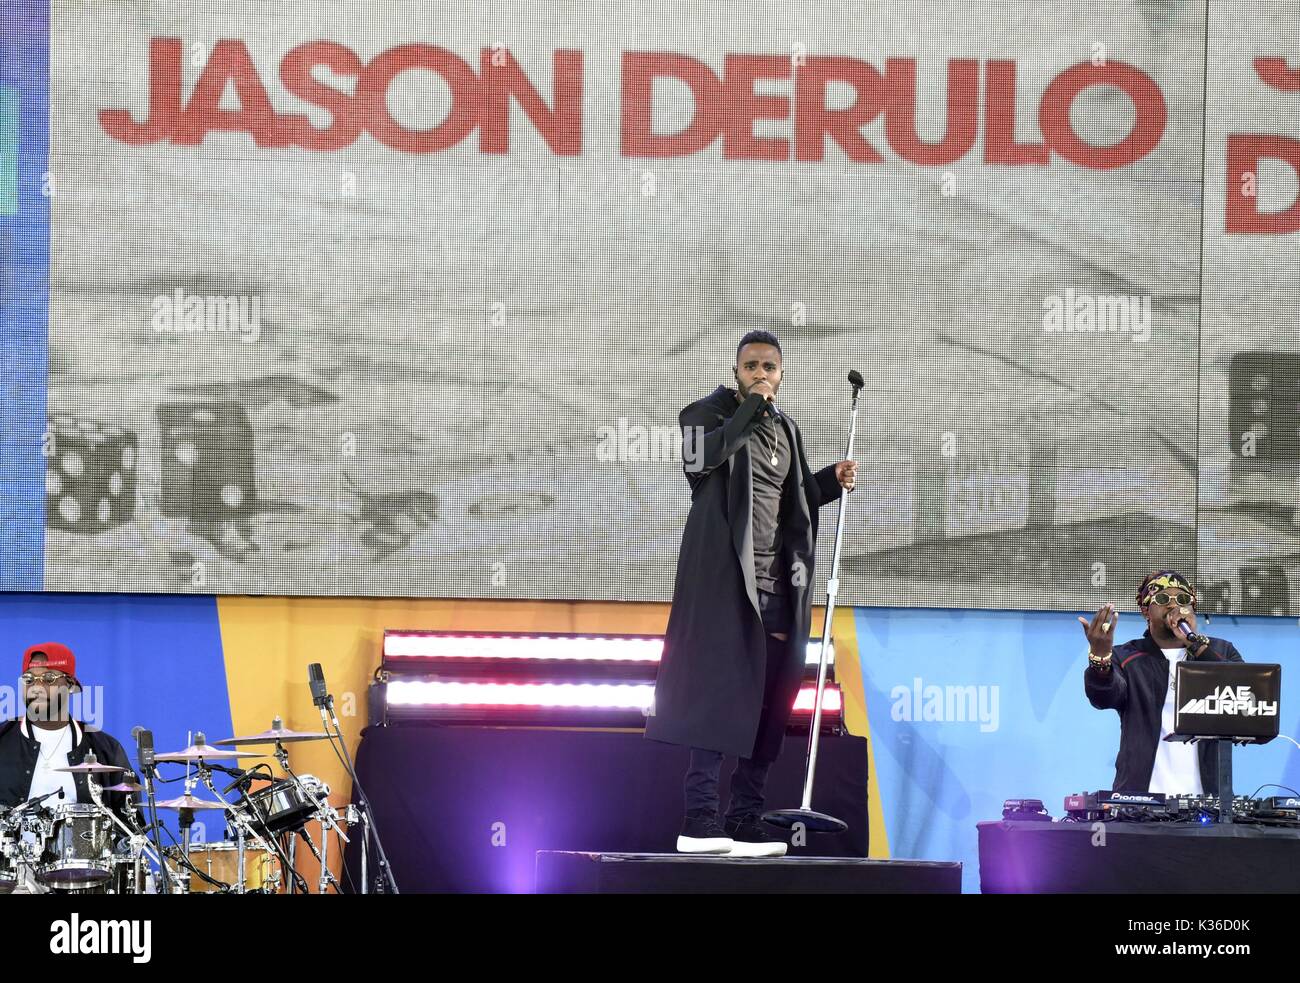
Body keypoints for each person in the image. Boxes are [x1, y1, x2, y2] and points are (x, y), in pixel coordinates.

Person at [645, 330, 856, 856]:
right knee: (719, 701)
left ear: (783, 374)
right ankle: (698, 821)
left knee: (770, 701)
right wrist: (749, 411)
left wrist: (831, 479)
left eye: (769, 367)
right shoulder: (704, 414)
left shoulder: (788, 429)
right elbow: (702, 462)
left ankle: (742, 819)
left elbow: (799, 495)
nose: (761, 374)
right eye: (750, 367)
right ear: (737, 371)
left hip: (779, 588)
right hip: (725, 587)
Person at [1081, 570, 1244, 795]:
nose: (1174, 605)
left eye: (1183, 600)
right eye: (1164, 599)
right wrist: (1100, 660)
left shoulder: (1220, 651)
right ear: (1146, 610)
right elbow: (1104, 697)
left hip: (1209, 803)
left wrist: (1196, 646)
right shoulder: (1127, 657)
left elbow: (1242, 697)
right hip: (1141, 801)